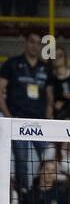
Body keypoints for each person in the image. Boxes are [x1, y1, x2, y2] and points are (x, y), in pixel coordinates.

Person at [0, 30, 50, 191]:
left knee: (49, 158)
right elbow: (0, 91)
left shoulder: (45, 68)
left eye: (38, 43)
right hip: (18, 120)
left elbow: (50, 98)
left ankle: (42, 192)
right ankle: (24, 195)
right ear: (26, 43)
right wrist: (9, 117)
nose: (35, 46)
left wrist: (50, 122)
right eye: (32, 41)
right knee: (22, 160)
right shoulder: (12, 64)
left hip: (40, 122)